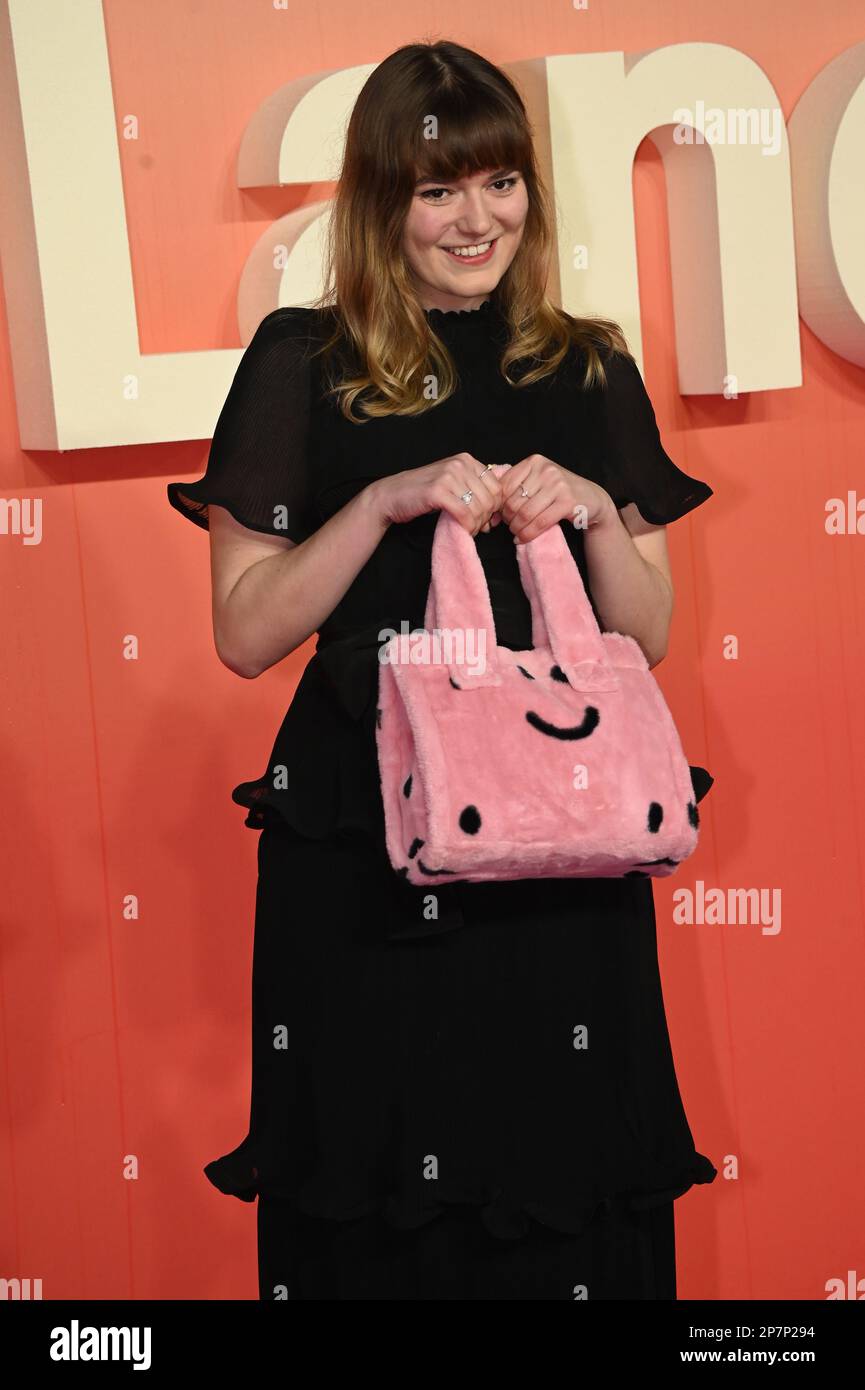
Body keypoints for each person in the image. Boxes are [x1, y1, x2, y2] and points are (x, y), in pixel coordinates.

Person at [167, 39, 717, 1301]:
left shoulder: (588, 365)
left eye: (500, 182)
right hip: (364, 845)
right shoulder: (304, 360)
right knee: (378, 1199)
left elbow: (651, 632)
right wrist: (381, 504)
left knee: (563, 1176)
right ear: (380, 204)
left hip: (559, 842)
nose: (479, 219)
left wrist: (587, 506)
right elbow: (245, 633)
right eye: (438, 190)